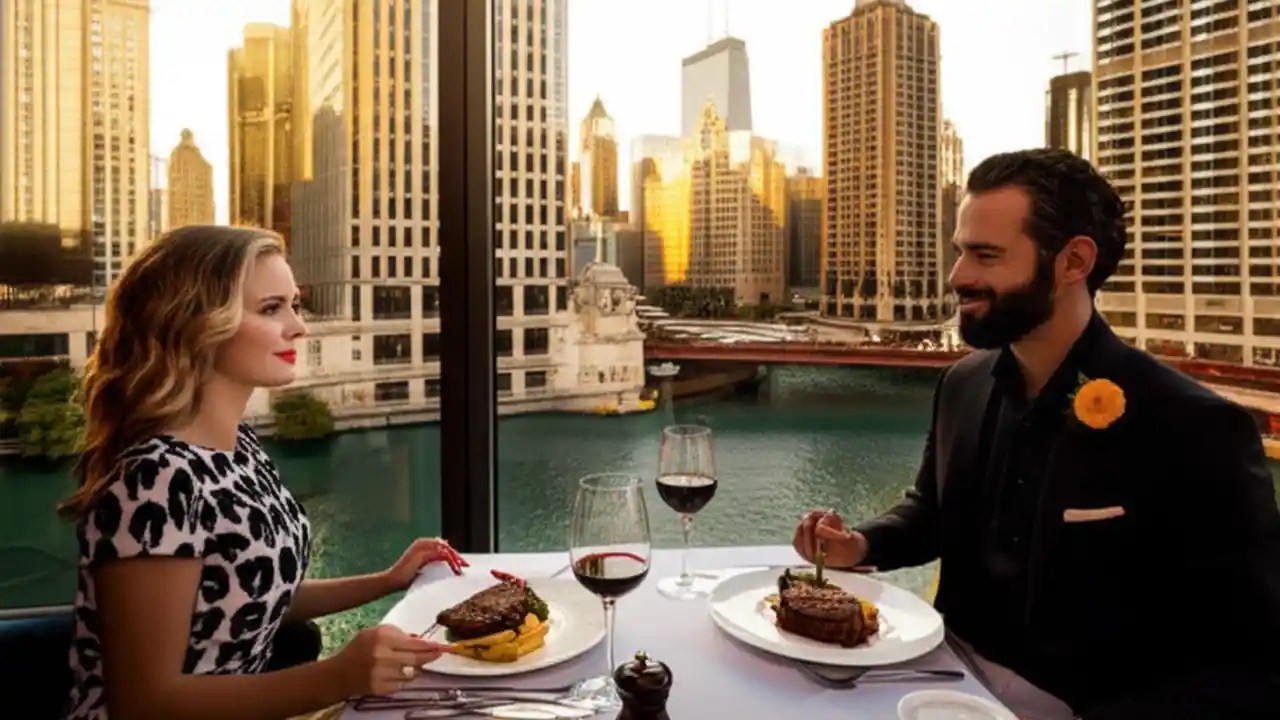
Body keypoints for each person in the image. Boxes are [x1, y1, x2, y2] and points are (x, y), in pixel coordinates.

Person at [794, 149, 1280, 719]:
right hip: (932, 684)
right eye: (960, 253)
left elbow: (1252, 665)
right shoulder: (961, 385)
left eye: (985, 255)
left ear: (1073, 261)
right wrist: (863, 543)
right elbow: (932, 511)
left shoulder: (1198, 427)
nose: (958, 276)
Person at [59, 226, 469, 719]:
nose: (299, 327)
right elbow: (145, 702)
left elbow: (250, 598)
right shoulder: (156, 479)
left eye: (295, 305)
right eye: (271, 308)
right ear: (195, 323)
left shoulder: (240, 446)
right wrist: (338, 676)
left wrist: (386, 580)